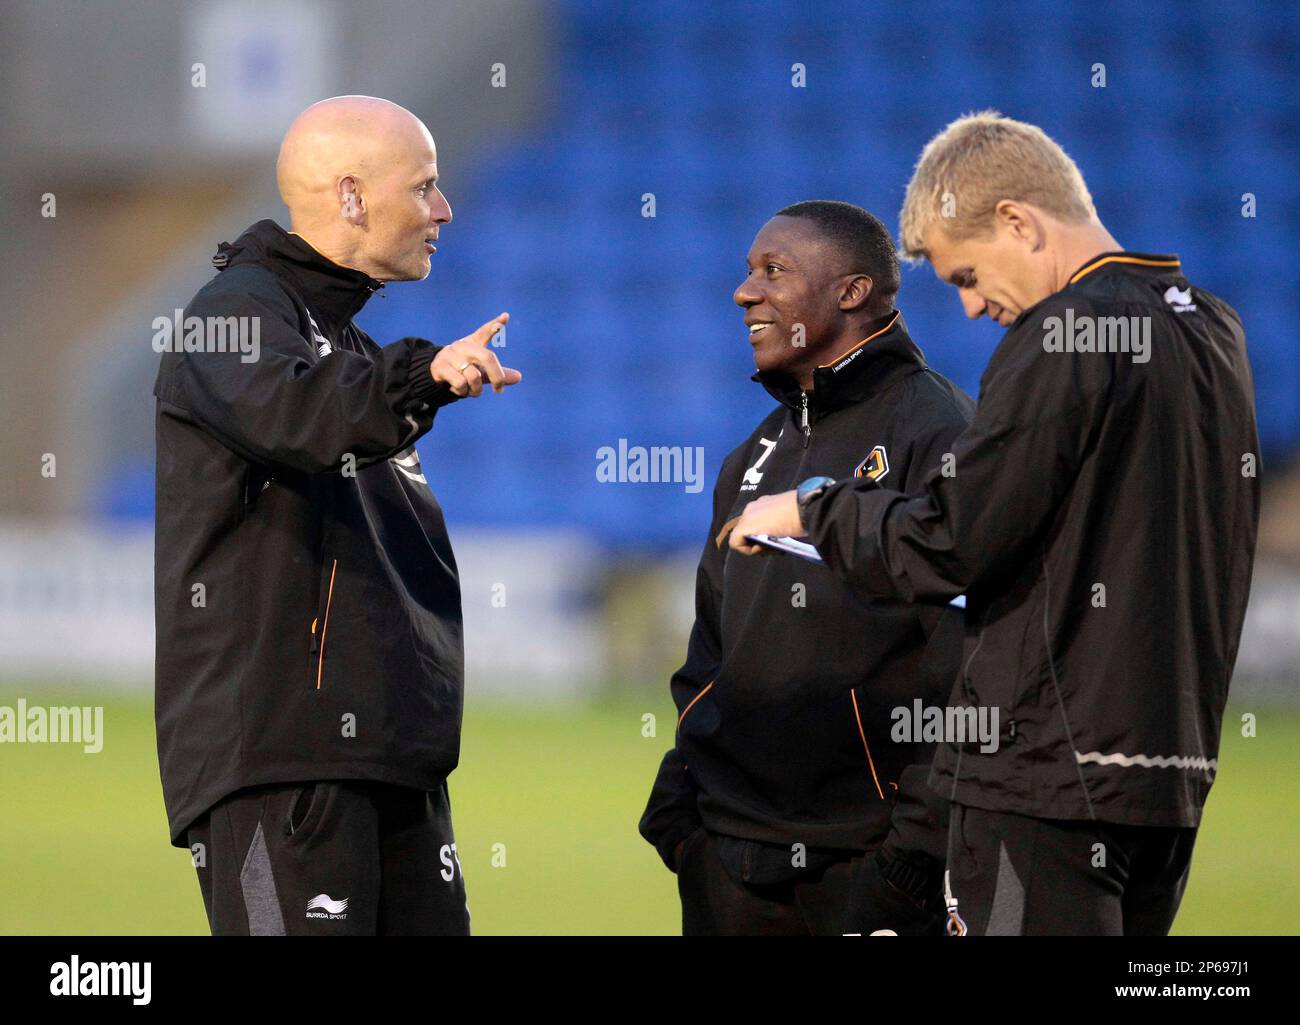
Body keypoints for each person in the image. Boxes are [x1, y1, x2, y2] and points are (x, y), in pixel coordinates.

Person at [727, 113, 1261, 935]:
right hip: (1168, 772)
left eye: (968, 274)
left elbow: (955, 539)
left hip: (1043, 777)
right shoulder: (1213, 329)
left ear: (1017, 220)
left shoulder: (1059, 334)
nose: (974, 308)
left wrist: (816, 507)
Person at [153, 95, 521, 935]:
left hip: (389, 765)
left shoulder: (343, 344)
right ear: (352, 197)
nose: (444, 209)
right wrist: (425, 375)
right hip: (287, 764)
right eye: (425, 186)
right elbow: (306, 419)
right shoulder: (234, 314)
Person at [640, 200, 974, 935]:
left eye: (773, 270)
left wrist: (915, 852)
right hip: (729, 859)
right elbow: (712, 650)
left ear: (852, 291)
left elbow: (972, 664)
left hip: (870, 862)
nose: (744, 291)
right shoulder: (752, 456)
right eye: (747, 272)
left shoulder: (941, 432)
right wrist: (682, 809)